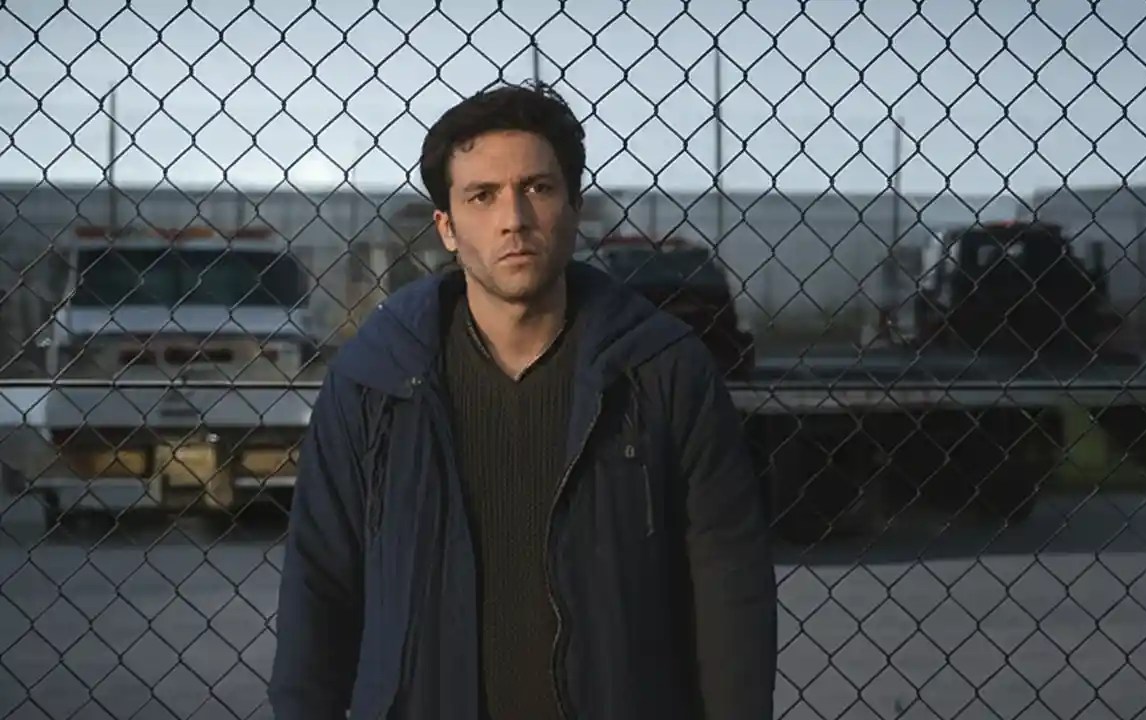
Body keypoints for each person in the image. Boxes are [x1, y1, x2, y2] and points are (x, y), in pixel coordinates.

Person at [268, 80, 777, 720]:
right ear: (447, 228)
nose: (514, 218)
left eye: (537, 188)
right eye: (482, 196)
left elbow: (729, 585)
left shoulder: (664, 371)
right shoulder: (374, 379)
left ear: (573, 207)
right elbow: (319, 581)